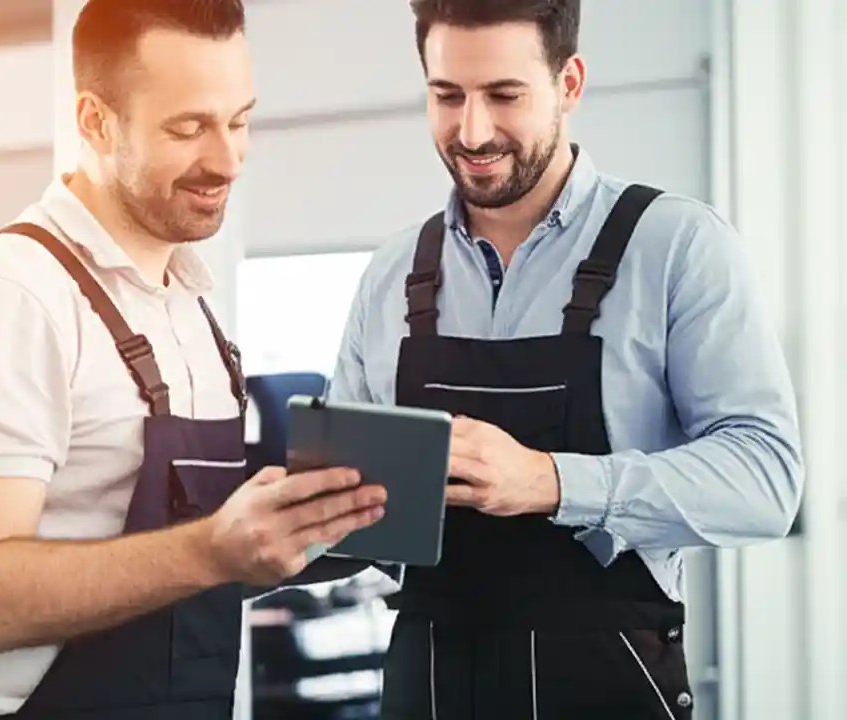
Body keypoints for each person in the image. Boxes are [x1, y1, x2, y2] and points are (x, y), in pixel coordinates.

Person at [0, 1, 387, 718]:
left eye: (239, 121)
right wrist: (212, 553)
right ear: (96, 122)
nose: (225, 159)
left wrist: (310, 533)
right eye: (188, 127)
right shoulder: (9, 297)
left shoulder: (190, 309)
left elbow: (185, 571)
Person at [328, 1, 805, 718]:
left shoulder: (676, 246)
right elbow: (350, 509)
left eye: (504, 95)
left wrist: (551, 481)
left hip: (607, 686)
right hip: (426, 687)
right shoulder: (393, 273)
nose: (472, 130)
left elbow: (766, 481)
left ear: (570, 83)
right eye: (447, 95)